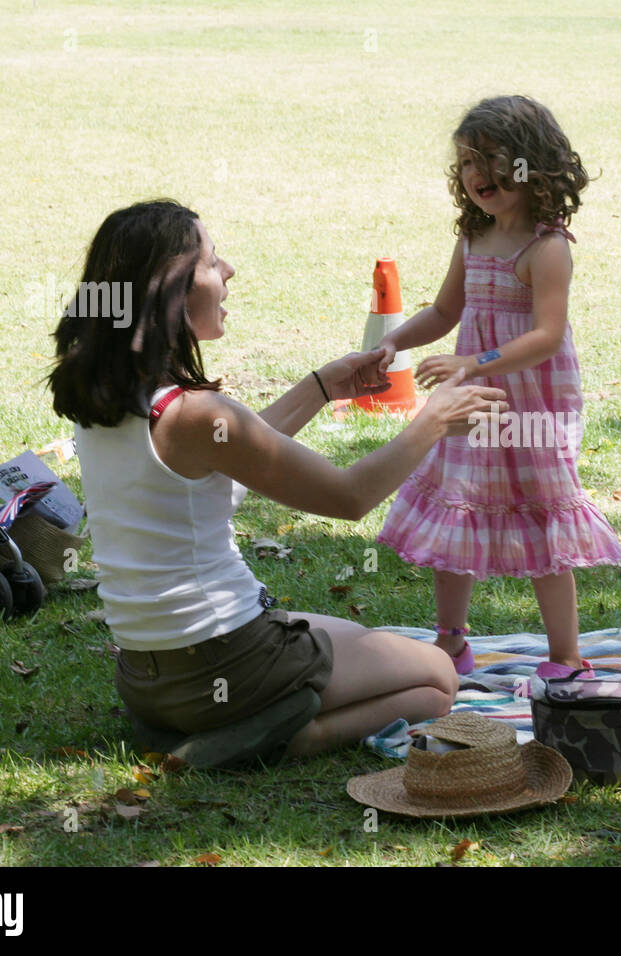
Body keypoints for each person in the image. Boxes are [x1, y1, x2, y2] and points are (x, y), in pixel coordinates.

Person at [47, 200, 506, 767]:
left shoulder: (108, 397)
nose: (229, 271)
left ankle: (204, 725)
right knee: (436, 680)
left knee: (352, 640)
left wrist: (319, 387)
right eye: (214, 261)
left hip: (149, 678)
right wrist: (433, 420)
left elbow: (232, 466)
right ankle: (265, 739)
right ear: (174, 289)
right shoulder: (195, 413)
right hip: (226, 662)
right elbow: (349, 497)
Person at [375, 95, 621, 679]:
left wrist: (472, 363)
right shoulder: (474, 239)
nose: (479, 175)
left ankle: (565, 655)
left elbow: (545, 335)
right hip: (473, 402)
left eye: (494, 161)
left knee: (543, 518)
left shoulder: (547, 247)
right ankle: (451, 640)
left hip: (530, 401)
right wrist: (390, 345)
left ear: (533, 167)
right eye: (468, 162)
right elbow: (442, 312)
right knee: (456, 506)